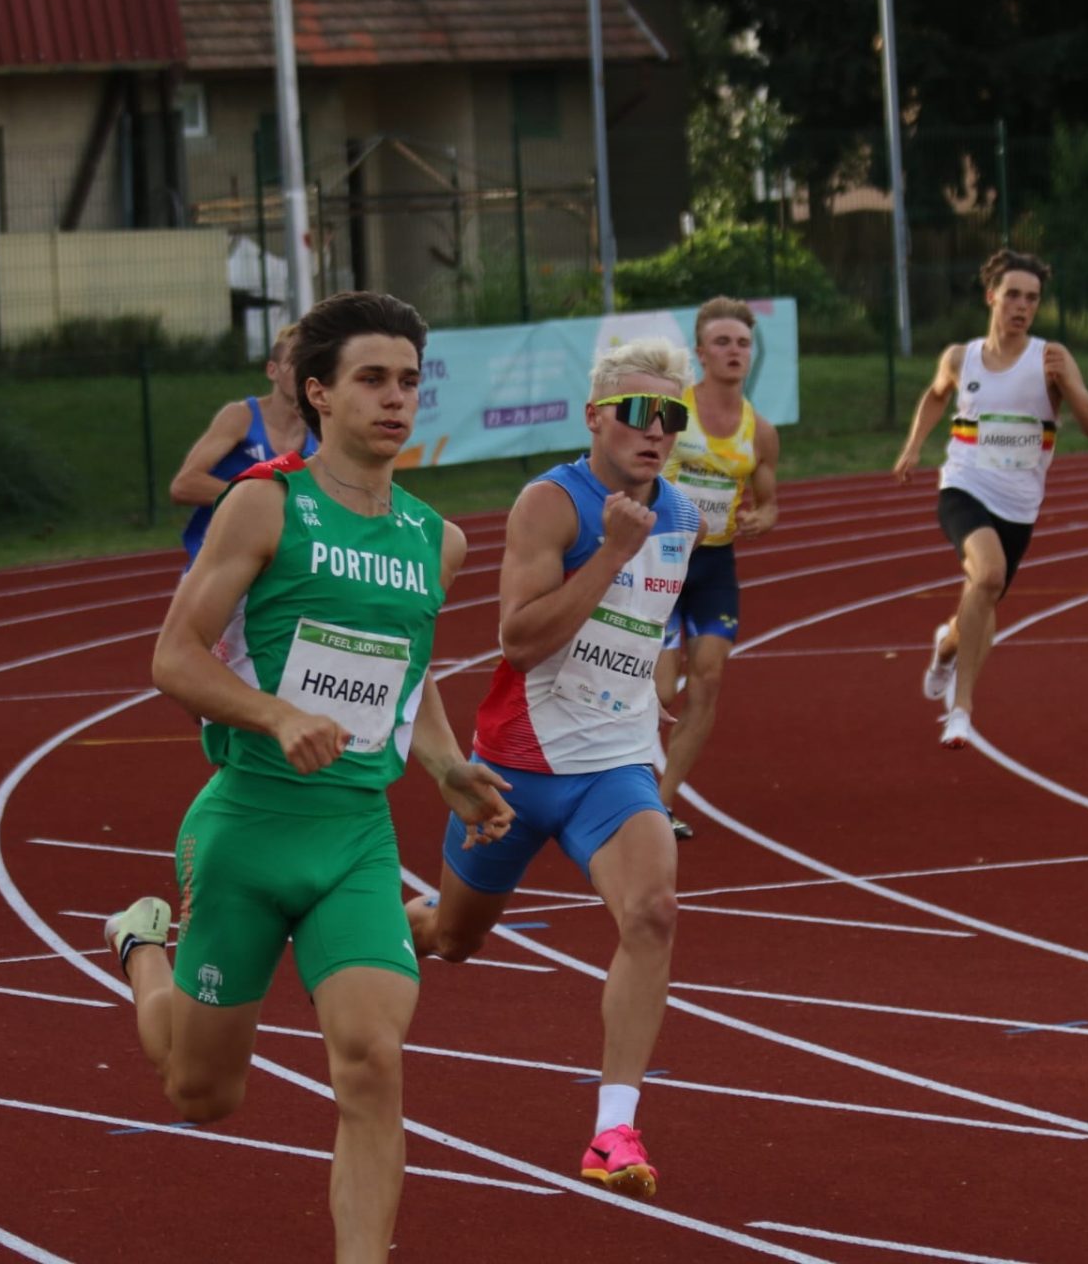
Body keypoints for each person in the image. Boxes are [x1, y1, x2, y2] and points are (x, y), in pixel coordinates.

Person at [107, 291, 514, 1264]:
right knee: (203, 1094)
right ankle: (138, 947)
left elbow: (407, 678)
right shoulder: (265, 501)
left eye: (410, 380)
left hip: (354, 838)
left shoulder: (437, 540)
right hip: (247, 825)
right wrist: (278, 713)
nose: (395, 399)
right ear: (318, 393)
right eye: (372, 379)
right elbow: (175, 657)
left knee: (372, 1060)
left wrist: (451, 767)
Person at [405, 338, 705, 1200]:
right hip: (515, 768)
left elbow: (642, 627)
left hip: (611, 771)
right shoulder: (552, 503)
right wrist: (609, 551)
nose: (657, 431)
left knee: (652, 911)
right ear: (596, 418)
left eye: (671, 418)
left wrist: (648, 687)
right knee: (455, 940)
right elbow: (519, 639)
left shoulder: (682, 515)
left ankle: (614, 1128)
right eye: (640, 413)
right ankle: (373, 934)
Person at [891, 249, 1088, 748]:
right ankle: (961, 711)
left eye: (1032, 298)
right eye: (1012, 294)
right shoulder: (959, 357)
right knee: (987, 575)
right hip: (964, 487)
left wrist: (1070, 386)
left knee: (980, 601)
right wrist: (913, 447)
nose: (1022, 306)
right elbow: (936, 394)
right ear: (992, 297)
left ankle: (945, 648)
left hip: (1019, 504)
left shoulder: (1051, 358)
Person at [653, 297, 781, 839]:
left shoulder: (761, 431)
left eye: (743, 343)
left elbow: (769, 498)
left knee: (708, 678)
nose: (734, 351)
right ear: (701, 352)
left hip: (715, 566)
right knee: (658, 694)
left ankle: (658, 804)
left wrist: (764, 516)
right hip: (658, 558)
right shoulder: (671, 410)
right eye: (723, 342)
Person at [169, 322, 318, 565]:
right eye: (294, 363)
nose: (303, 372)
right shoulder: (241, 417)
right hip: (218, 563)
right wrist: (257, 499)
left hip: (276, 566)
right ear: (273, 370)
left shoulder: (320, 432)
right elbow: (184, 485)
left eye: (311, 365)